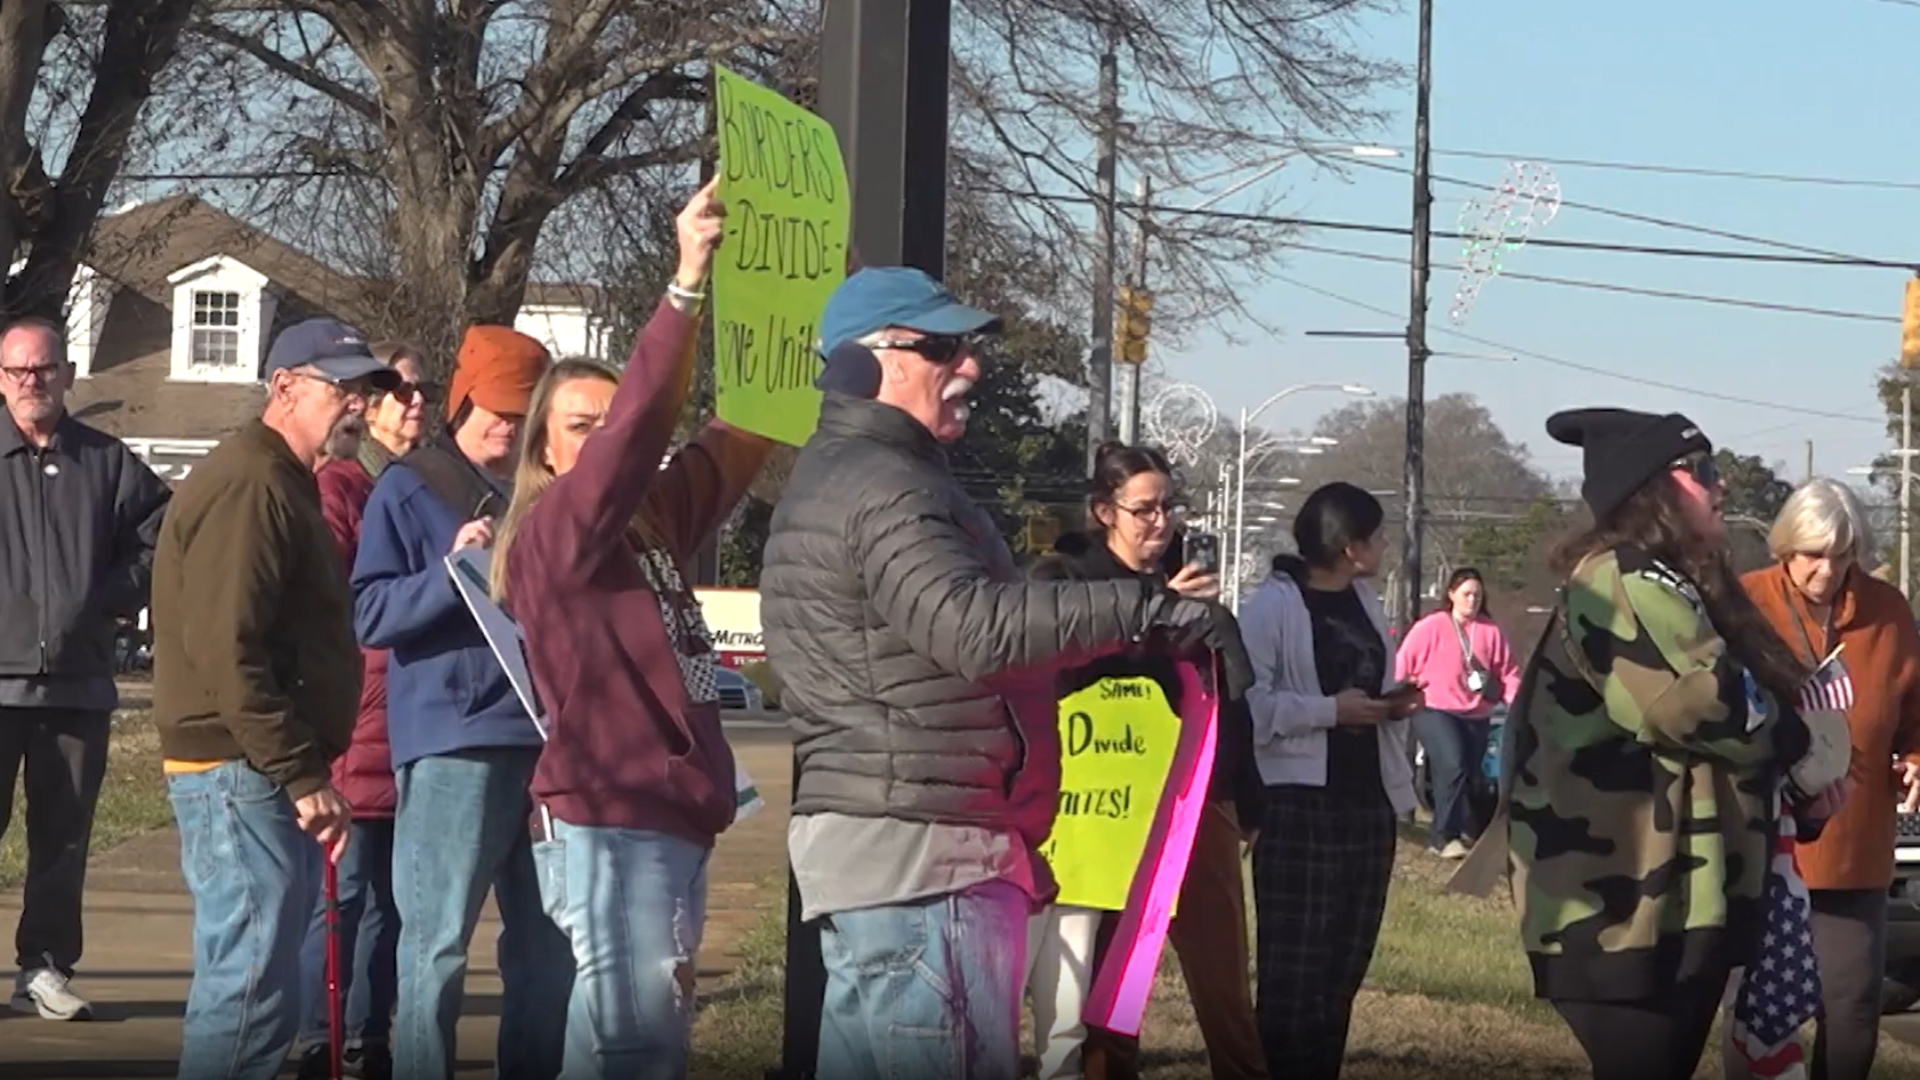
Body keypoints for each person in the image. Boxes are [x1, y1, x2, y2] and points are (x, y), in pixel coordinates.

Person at [760, 267, 1236, 1080]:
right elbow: (973, 628)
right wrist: (1145, 611)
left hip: (900, 851)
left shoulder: (854, 476)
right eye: (942, 347)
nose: (971, 366)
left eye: (968, 346)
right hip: (923, 862)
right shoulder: (886, 487)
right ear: (867, 363)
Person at [490, 180, 769, 1080]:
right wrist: (686, 280)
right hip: (610, 823)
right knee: (636, 1054)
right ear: (544, 449)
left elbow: (739, 435)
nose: (608, 439)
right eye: (584, 427)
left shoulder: (651, 517)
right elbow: (642, 425)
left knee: (624, 1052)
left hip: (670, 822)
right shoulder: (551, 536)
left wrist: (800, 325)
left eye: (615, 423)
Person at [1509, 408, 1849, 1080]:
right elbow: (1704, 704)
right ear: (1650, 490)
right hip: (1622, 911)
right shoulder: (1624, 579)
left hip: (1675, 910)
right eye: (1701, 472)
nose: (1720, 486)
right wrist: (1801, 740)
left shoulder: (1670, 580)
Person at [152, 318, 398, 1080]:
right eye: (341, 388)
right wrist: (300, 774)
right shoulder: (251, 482)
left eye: (363, 390)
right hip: (240, 769)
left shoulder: (287, 480)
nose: (356, 405)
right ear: (284, 387)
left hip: (259, 766)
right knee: (252, 983)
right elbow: (231, 646)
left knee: (260, 985)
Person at [351, 326, 572, 1080]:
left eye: (523, 414)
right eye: (499, 412)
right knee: (436, 943)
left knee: (549, 947)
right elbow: (372, 613)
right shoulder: (408, 488)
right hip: (454, 743)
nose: (509, 429)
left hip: (548, 742)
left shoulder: (553, 490)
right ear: (464, 400)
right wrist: (451, 573)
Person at [1028, 442, 1268, 1080]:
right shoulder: (1065, 579)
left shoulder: (1189, 586)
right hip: (1105, 810)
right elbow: (1058, 669)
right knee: (1109, 985)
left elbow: (1230, 697)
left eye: (1170, 507)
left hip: (1193, 802)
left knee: (1222, 979)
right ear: (1105, 511)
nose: (1161, 523)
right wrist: (1155, 612)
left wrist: (1247, 796)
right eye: (1144, 510)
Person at [0, 316, 170, 1021]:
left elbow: (164, 539)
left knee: (63, 836)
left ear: (68, 375)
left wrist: (106, 598)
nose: (31, 382)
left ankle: (44, 967)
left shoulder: (108, 462)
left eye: (43, 369)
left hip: (78, 683)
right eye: (17, 372)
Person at [1728, 477, 1920, 1080]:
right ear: (1785, 547)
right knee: (1759, 1012)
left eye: (1842, 555)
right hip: (1761, 843)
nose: (1827, 570)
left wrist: (1916, 758)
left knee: (1853, 1006)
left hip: (1854, 840)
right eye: (1814, 554)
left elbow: (1912, 713)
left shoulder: (1888, 612)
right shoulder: (1743, 602)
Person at [1237, 481, 1420, 1080]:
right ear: (1350, 546)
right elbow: (1252, 707)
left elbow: (1364, 684)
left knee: (1345, 966)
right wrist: (1330, 711)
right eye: (1378, 534)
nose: (1386, 544)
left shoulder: (1366, 600)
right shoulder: (1273, 606)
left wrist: (1387, 706)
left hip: (1367, 803)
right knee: (1295, 974)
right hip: (1298, 806)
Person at [289, 342, 428, 1080]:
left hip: (409, 721)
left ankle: (370, 1035)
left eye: (419, 392)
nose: (413, 402)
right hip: (357, 718)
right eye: (396, 392)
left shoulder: (426, 485)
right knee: (341, 891)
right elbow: (343, 602)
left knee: (391, 901)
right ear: (364, 408)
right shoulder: (341, 487)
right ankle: (321, 1033)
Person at [1395, 567, 1521, 859]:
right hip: (1435, 708)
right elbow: (1403, 663)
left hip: (1476, 713)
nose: (1472, 600)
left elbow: (1509, 673)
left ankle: (1465, 830)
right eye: (1466, 594)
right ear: (1451, 595)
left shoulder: (1490, 631)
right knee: (1453, 763)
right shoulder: (1431, 626)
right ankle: (1444, 837)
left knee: (1469, 775)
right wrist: (1398, 693)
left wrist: (1517, 703)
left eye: (1477, 595)